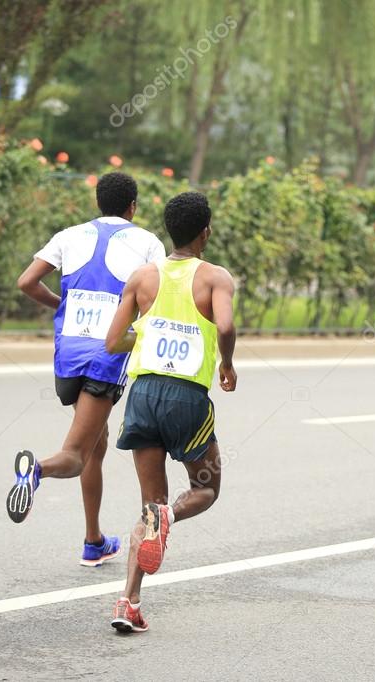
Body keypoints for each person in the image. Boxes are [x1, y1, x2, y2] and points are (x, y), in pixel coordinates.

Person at [7, 172, 166, 569]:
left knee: (97, 442)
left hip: (67, 354)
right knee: (76, 454)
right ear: (133, 206)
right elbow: (157, 300)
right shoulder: (148, 242)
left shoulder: (68, 235)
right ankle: (36, 471)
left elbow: (26, 281)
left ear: (98, 203)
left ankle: (93, 541)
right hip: (105, 357)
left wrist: (62, 304)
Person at [104, 191, 236, 633]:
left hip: (142, 395)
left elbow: (113, 341)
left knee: (149, 504)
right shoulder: (215, 278)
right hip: (186, 400)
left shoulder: (143, 276)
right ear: (205, 232)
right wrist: (227, 364)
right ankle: (171, 517)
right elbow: (227, 325)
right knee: (207, 487)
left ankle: (127, 602)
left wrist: (144, 339)